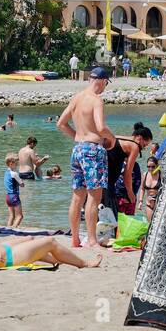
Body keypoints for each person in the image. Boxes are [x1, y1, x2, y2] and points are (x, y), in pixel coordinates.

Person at [56, 65, 115, 248]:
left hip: (78, 149)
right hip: (93, 151)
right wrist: (112, 139)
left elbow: (60, 124)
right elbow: (101, 127)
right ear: (103, 81)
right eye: (106, 83)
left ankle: (75, 239)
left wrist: (78, 137)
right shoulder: (96, 100)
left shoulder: (77, 97)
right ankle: (91, 239)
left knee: (77, 196)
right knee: (93, 196)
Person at [0, 205, 100, 269]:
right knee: (50, 241)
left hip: (3, 250)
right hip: (6, 257)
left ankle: (56, 260)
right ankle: (84, 264)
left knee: (30, 239)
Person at [106, 123, 152, 217]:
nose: (144, 147)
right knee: (113, 219)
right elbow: (127, 174)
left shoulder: (118, 137)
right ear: (139, 138)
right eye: (145, 144)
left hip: (102, 178)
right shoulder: (134, 146)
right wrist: (130, 193)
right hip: (108, 183)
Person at [138, 156, 162, 222]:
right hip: (148, 204)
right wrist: (140, 202)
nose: (150, 169)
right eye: (148, 167)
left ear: (157, 165)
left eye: (153, 166)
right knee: (150, 226)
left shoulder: (161, 175)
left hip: (159, 204)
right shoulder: (145, 175)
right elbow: (142, 189)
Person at [3, 154, 24, 228]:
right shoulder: (14, 173)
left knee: (11, 216)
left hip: (8, 196)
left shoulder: (6, 173)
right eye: (16, 164)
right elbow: (22, 184)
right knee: (20, 216)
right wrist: (21, 182)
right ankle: (14, 228)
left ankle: (8, 228)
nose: (17, 166)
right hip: (14, 196)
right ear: (11, 163)